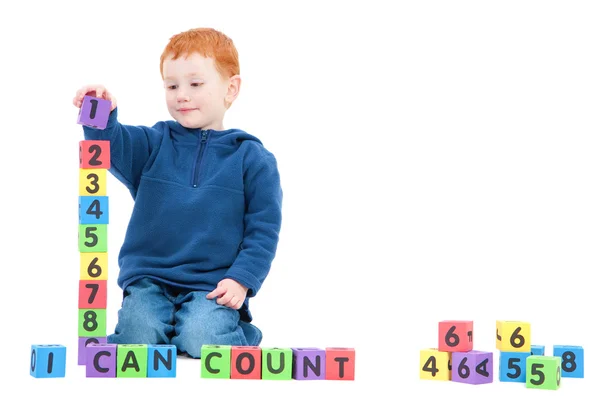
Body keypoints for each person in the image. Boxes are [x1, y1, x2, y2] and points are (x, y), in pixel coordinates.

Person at [73, 27, 283, 358]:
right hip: (149, 280)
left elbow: (264, 230)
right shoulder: (153, 143)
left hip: (212, 286)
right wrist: (97, 111)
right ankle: (165, 327)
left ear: (231, 88)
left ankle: (238, 331)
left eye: (195, 84)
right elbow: (108, 145)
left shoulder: (253, 158)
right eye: (172, 86)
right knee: (136, 340)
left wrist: (241, 279)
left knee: (204, 340)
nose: (181, 95)